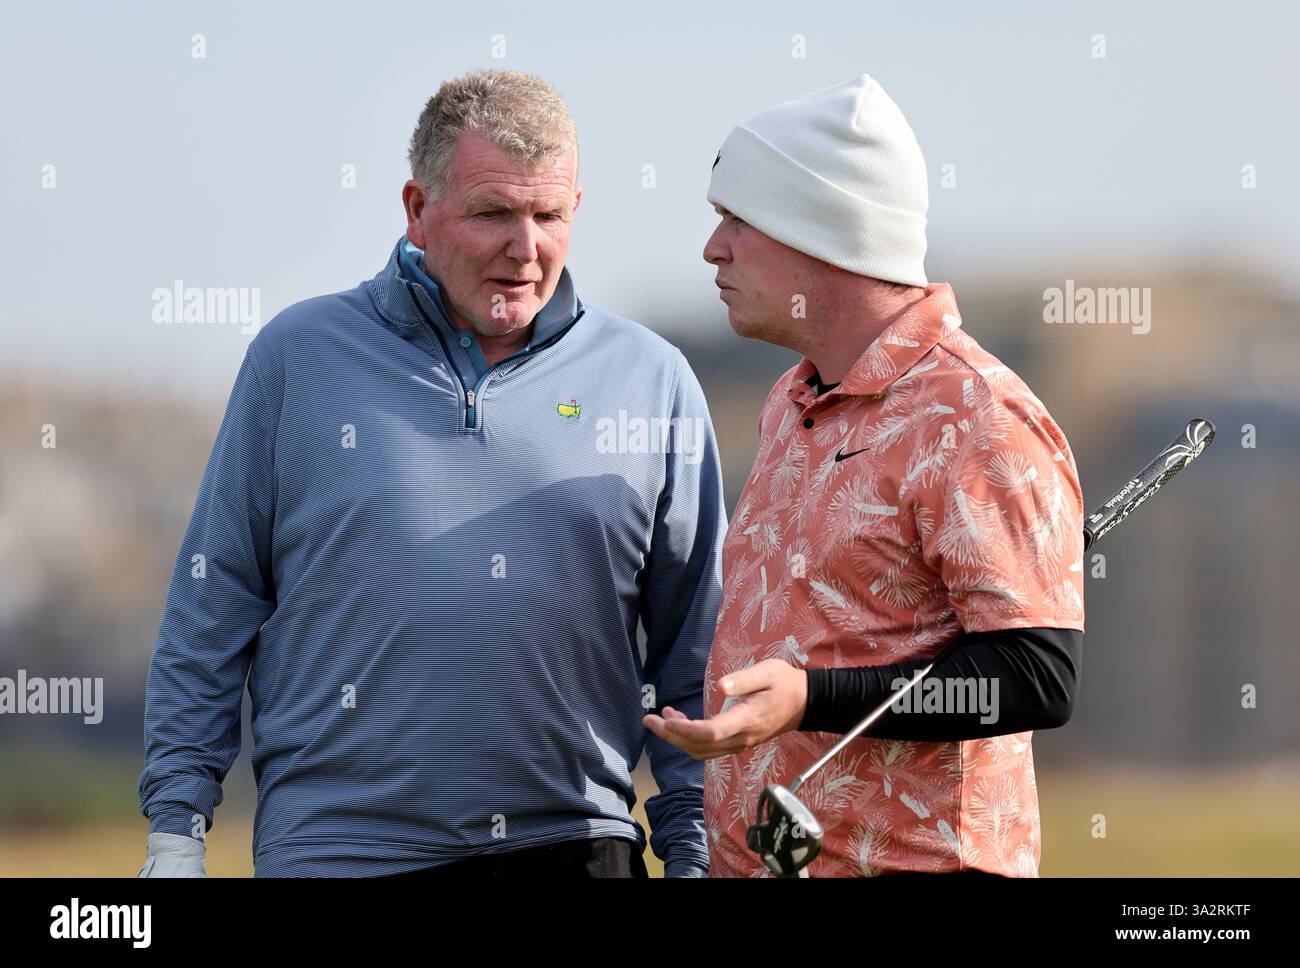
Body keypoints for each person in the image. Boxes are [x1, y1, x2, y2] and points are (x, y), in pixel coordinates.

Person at [137, 68, 725, 878]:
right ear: (418, 210)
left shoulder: (652, 381)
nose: (526, 249)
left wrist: (696, 854)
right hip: (337, 852)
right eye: (492, 214)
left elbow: (699, 648)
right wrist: (176, 830)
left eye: (548, 215)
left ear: (575, 211)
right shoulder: (296, 359)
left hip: (574, 843)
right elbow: (212, 606)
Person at [645, 73, 1086, 878]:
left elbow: (1034, 679)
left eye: (737, 221)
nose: (713, 248)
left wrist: (813, 701)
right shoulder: (792, 398)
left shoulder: (977, 416)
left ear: (819, 234)